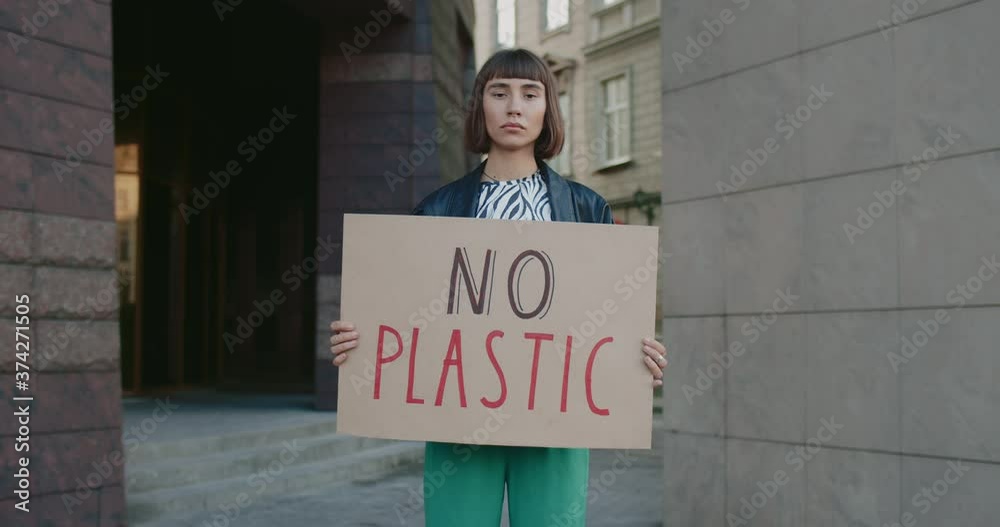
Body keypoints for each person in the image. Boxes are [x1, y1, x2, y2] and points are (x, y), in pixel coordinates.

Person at [328, 48, 669, 527]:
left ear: (547, 108)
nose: (514, 107)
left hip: (557, 426)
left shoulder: (587, 208)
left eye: (530, 94)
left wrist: (637, 358)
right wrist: (360, 339)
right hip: (457, 427)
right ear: (479, 107)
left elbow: (607, 314)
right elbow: (410, 317)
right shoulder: (438, 210)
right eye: (499, 92)